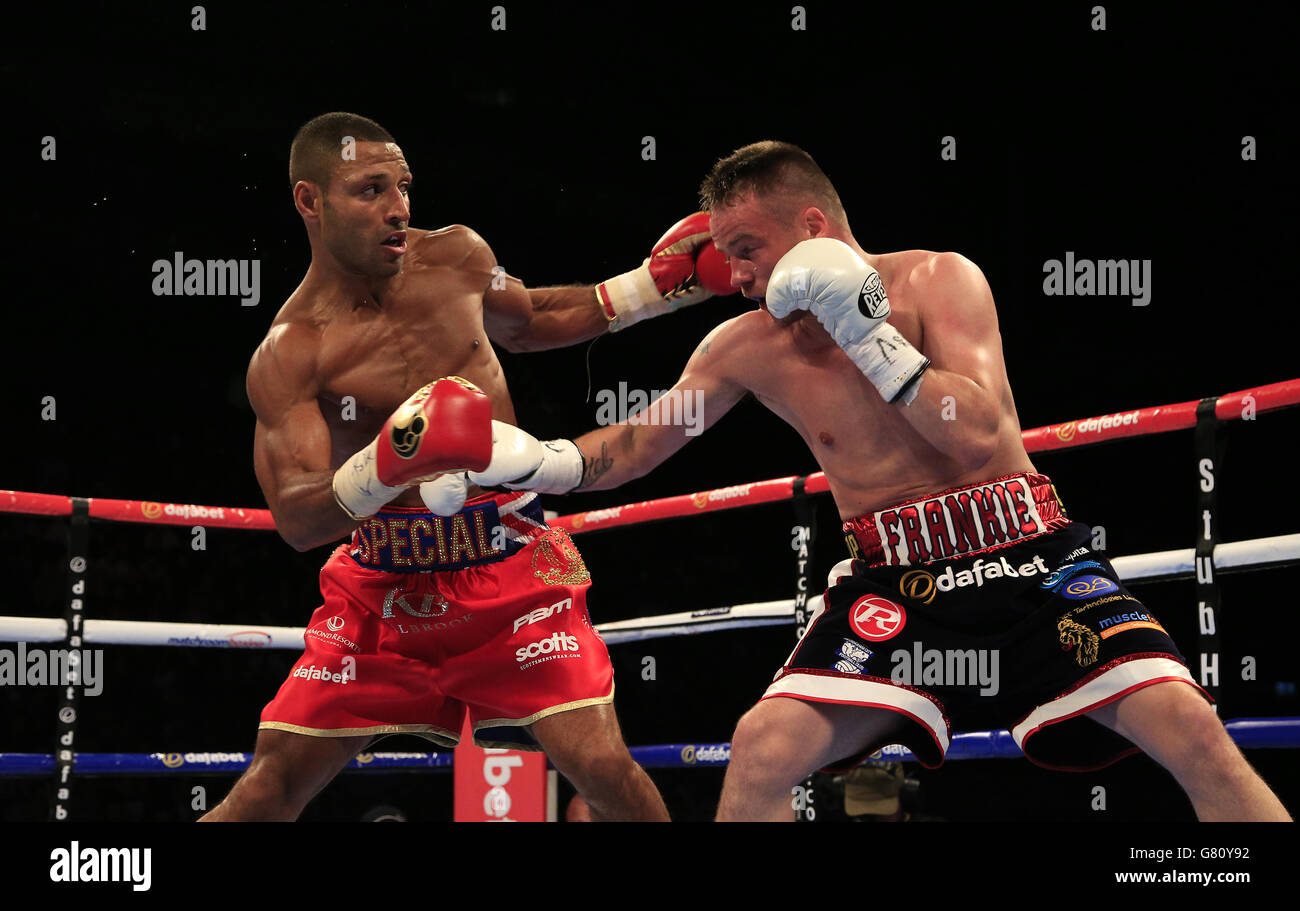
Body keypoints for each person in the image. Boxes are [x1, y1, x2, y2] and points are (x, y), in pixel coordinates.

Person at [479, 140, 1292, 822]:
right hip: (895, 587)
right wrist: (525, 462)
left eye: (746, 249)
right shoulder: (742, 347)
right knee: (762, 751)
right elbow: (632, 446)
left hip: (1027, 557)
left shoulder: (941, 279)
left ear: (812, 227)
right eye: (722, 254)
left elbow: (977, 433)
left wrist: (863, 331)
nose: (731, 273)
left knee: (1193, 728)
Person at [201, 111, 711, 821]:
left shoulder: (459, 257)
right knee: (268, 788)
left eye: (403, 186)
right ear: (309, 201)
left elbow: (530, 318)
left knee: (606, 770)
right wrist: (392, 458)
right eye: (370, 189)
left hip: (509, 570)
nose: (399, 208)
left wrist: (648, 289)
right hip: (383, 588)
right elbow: (295, 516)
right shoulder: (291, 350)